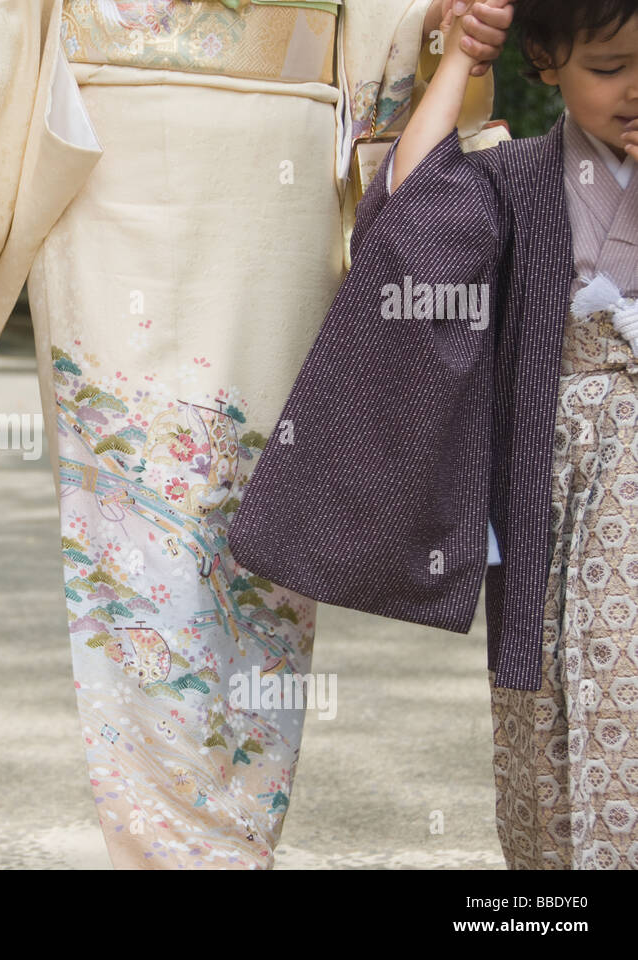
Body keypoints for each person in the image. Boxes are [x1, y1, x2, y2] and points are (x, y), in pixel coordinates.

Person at [0, 0, 512, 869]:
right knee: (136, 527)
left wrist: (442, 18)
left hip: (280, 179)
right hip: (108, 165)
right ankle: (168, 849)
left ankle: (233, 841)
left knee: (259, 527)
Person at [230, 0, 638, 869]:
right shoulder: (523, 177)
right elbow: (412, 218)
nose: (636, 89)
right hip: (561, 477)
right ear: (546, 61)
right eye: (609, 68)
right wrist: (455, 58)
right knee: (561, 694)